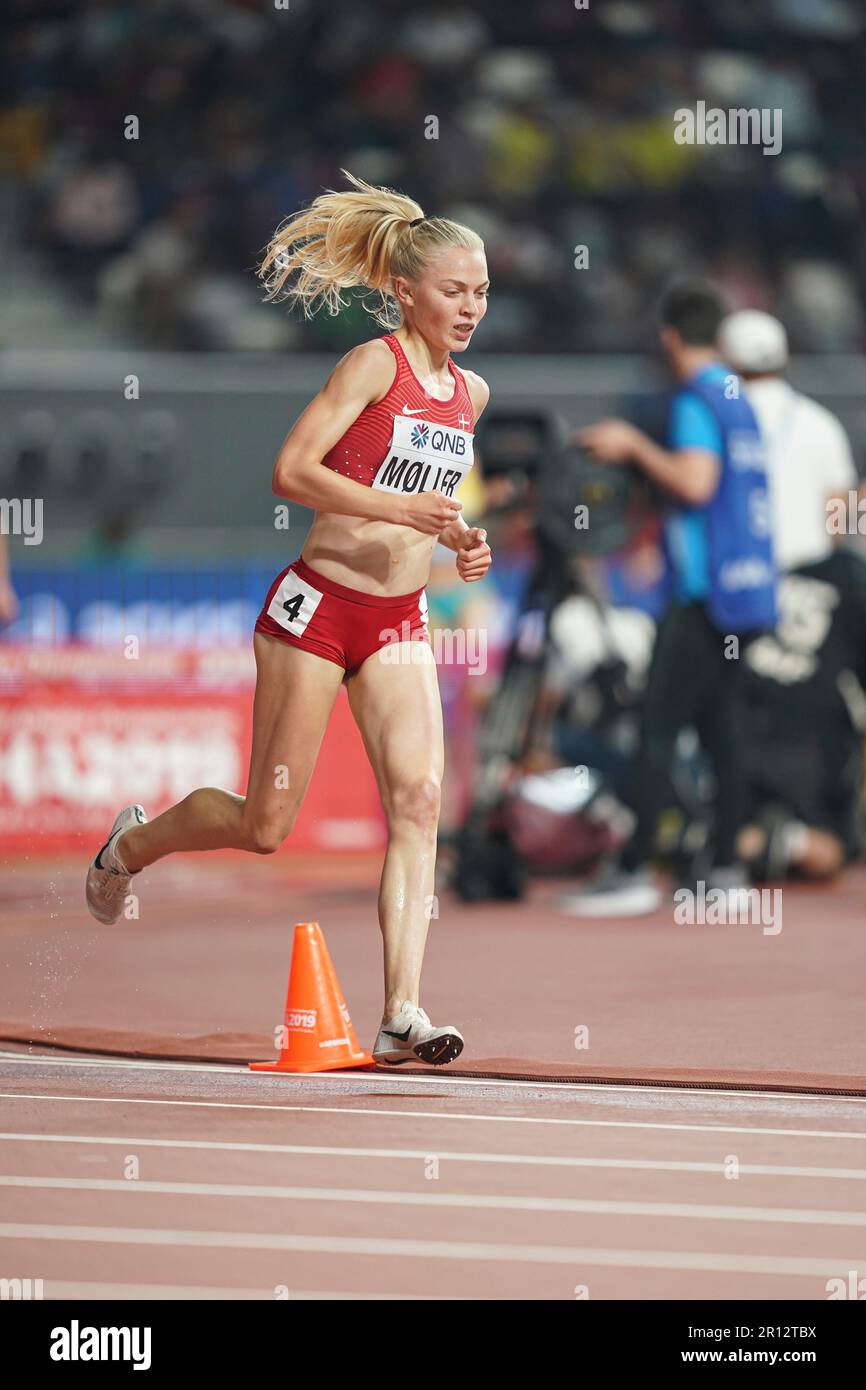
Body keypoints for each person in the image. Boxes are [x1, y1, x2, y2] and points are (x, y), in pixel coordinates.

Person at [86, 171, 493, 1067]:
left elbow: (434, 502)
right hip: (315, 611)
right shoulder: (371, 364)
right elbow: (293, 472)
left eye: (482, 293)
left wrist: (463, 540)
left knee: (420, 803)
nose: (471, 308)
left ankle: (402, 1013)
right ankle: (130, 846)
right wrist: (399, 512)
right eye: (455, 292)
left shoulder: (472, 395)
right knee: (264, 827)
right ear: (406, 293)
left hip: (398, 618)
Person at [560, 279, 776, 916]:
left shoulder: (697, 401)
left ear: (671, 338)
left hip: (705, 596)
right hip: (748, 593)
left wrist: (632, 445)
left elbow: (698, 482)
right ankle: (728, 868)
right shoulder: (741, 400)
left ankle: (633, 870)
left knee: (656, 725)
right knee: (720, 730)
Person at [718, 309, 859, 571]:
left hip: (739, 578)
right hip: (811, 576)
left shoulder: (719, 419)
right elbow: (839, 511)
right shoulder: (821, 422)